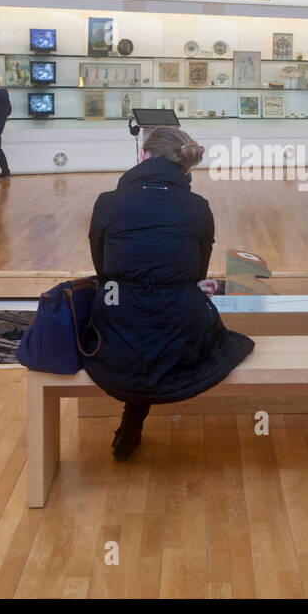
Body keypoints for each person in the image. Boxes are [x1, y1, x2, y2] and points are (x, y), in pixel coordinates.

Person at [85, 126, 255, 460]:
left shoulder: (107, 203)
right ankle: (133, 422)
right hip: (179, 326)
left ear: (143, 156)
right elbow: (196, 276)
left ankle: (132, 424)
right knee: (168, 319)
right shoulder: (197, 207)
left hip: (117, 321)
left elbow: (105, 273)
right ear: (185, 168)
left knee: (135, 315)